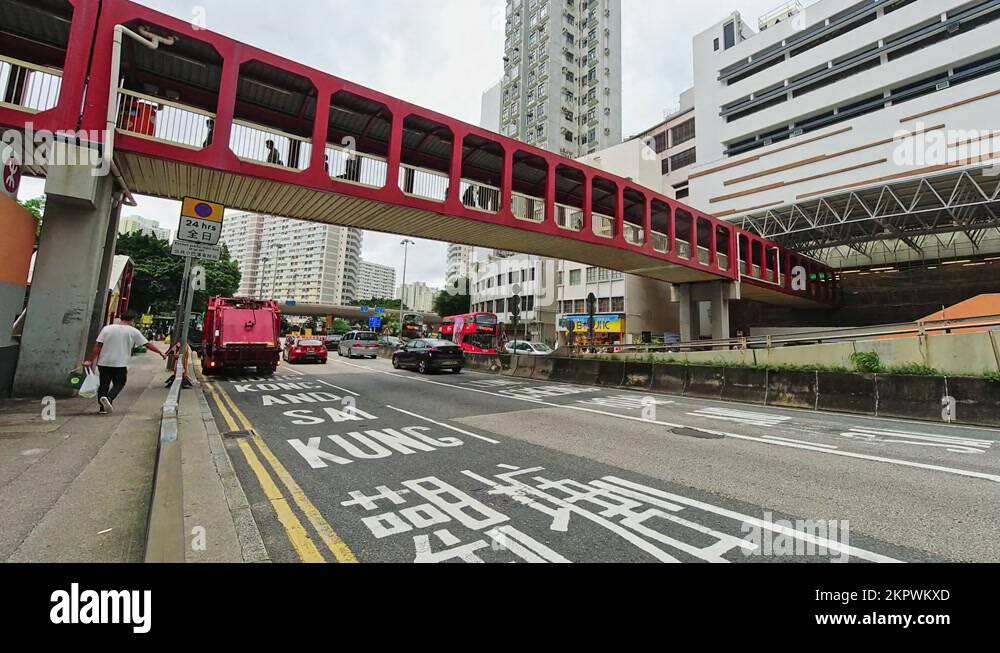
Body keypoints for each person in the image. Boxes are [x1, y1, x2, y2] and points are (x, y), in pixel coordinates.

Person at [84, 310, 167, 414]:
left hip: (104, 362)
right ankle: (109, 398)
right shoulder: (133, 331)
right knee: (120, 383)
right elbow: (147, 344)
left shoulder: (107, 329)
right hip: (120, 363)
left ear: (121, 318)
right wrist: (160, 352)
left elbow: (98, 346)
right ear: (132, 320)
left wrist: (90, 360)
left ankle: (102, 408)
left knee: (104, 384)